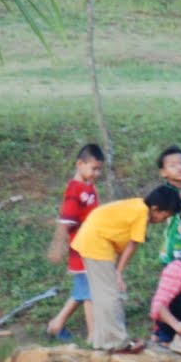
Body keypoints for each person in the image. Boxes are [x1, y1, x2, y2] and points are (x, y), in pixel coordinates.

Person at [70, 184, 181, 353]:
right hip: (97, 242)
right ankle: (118, 342)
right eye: (165, 215)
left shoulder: (138, 206)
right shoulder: (141, 214)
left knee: (102, 295)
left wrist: (117, 271)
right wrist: (118, 272)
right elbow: (132, 245)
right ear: (155, 208)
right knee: (111, 294)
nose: (163, 220)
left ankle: (101, 341)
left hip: (93, 238)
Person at [46, 143, 105, 343]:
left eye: (99, 169)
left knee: (82, 290)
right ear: (80, 164)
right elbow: (66, 221)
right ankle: (93, 336)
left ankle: (56, 324)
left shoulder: (89, 188)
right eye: (93, 168)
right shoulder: (74, 191)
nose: (97, 173)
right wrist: (57, 246)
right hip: (81, 250)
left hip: (91, 248)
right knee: (89, 294)